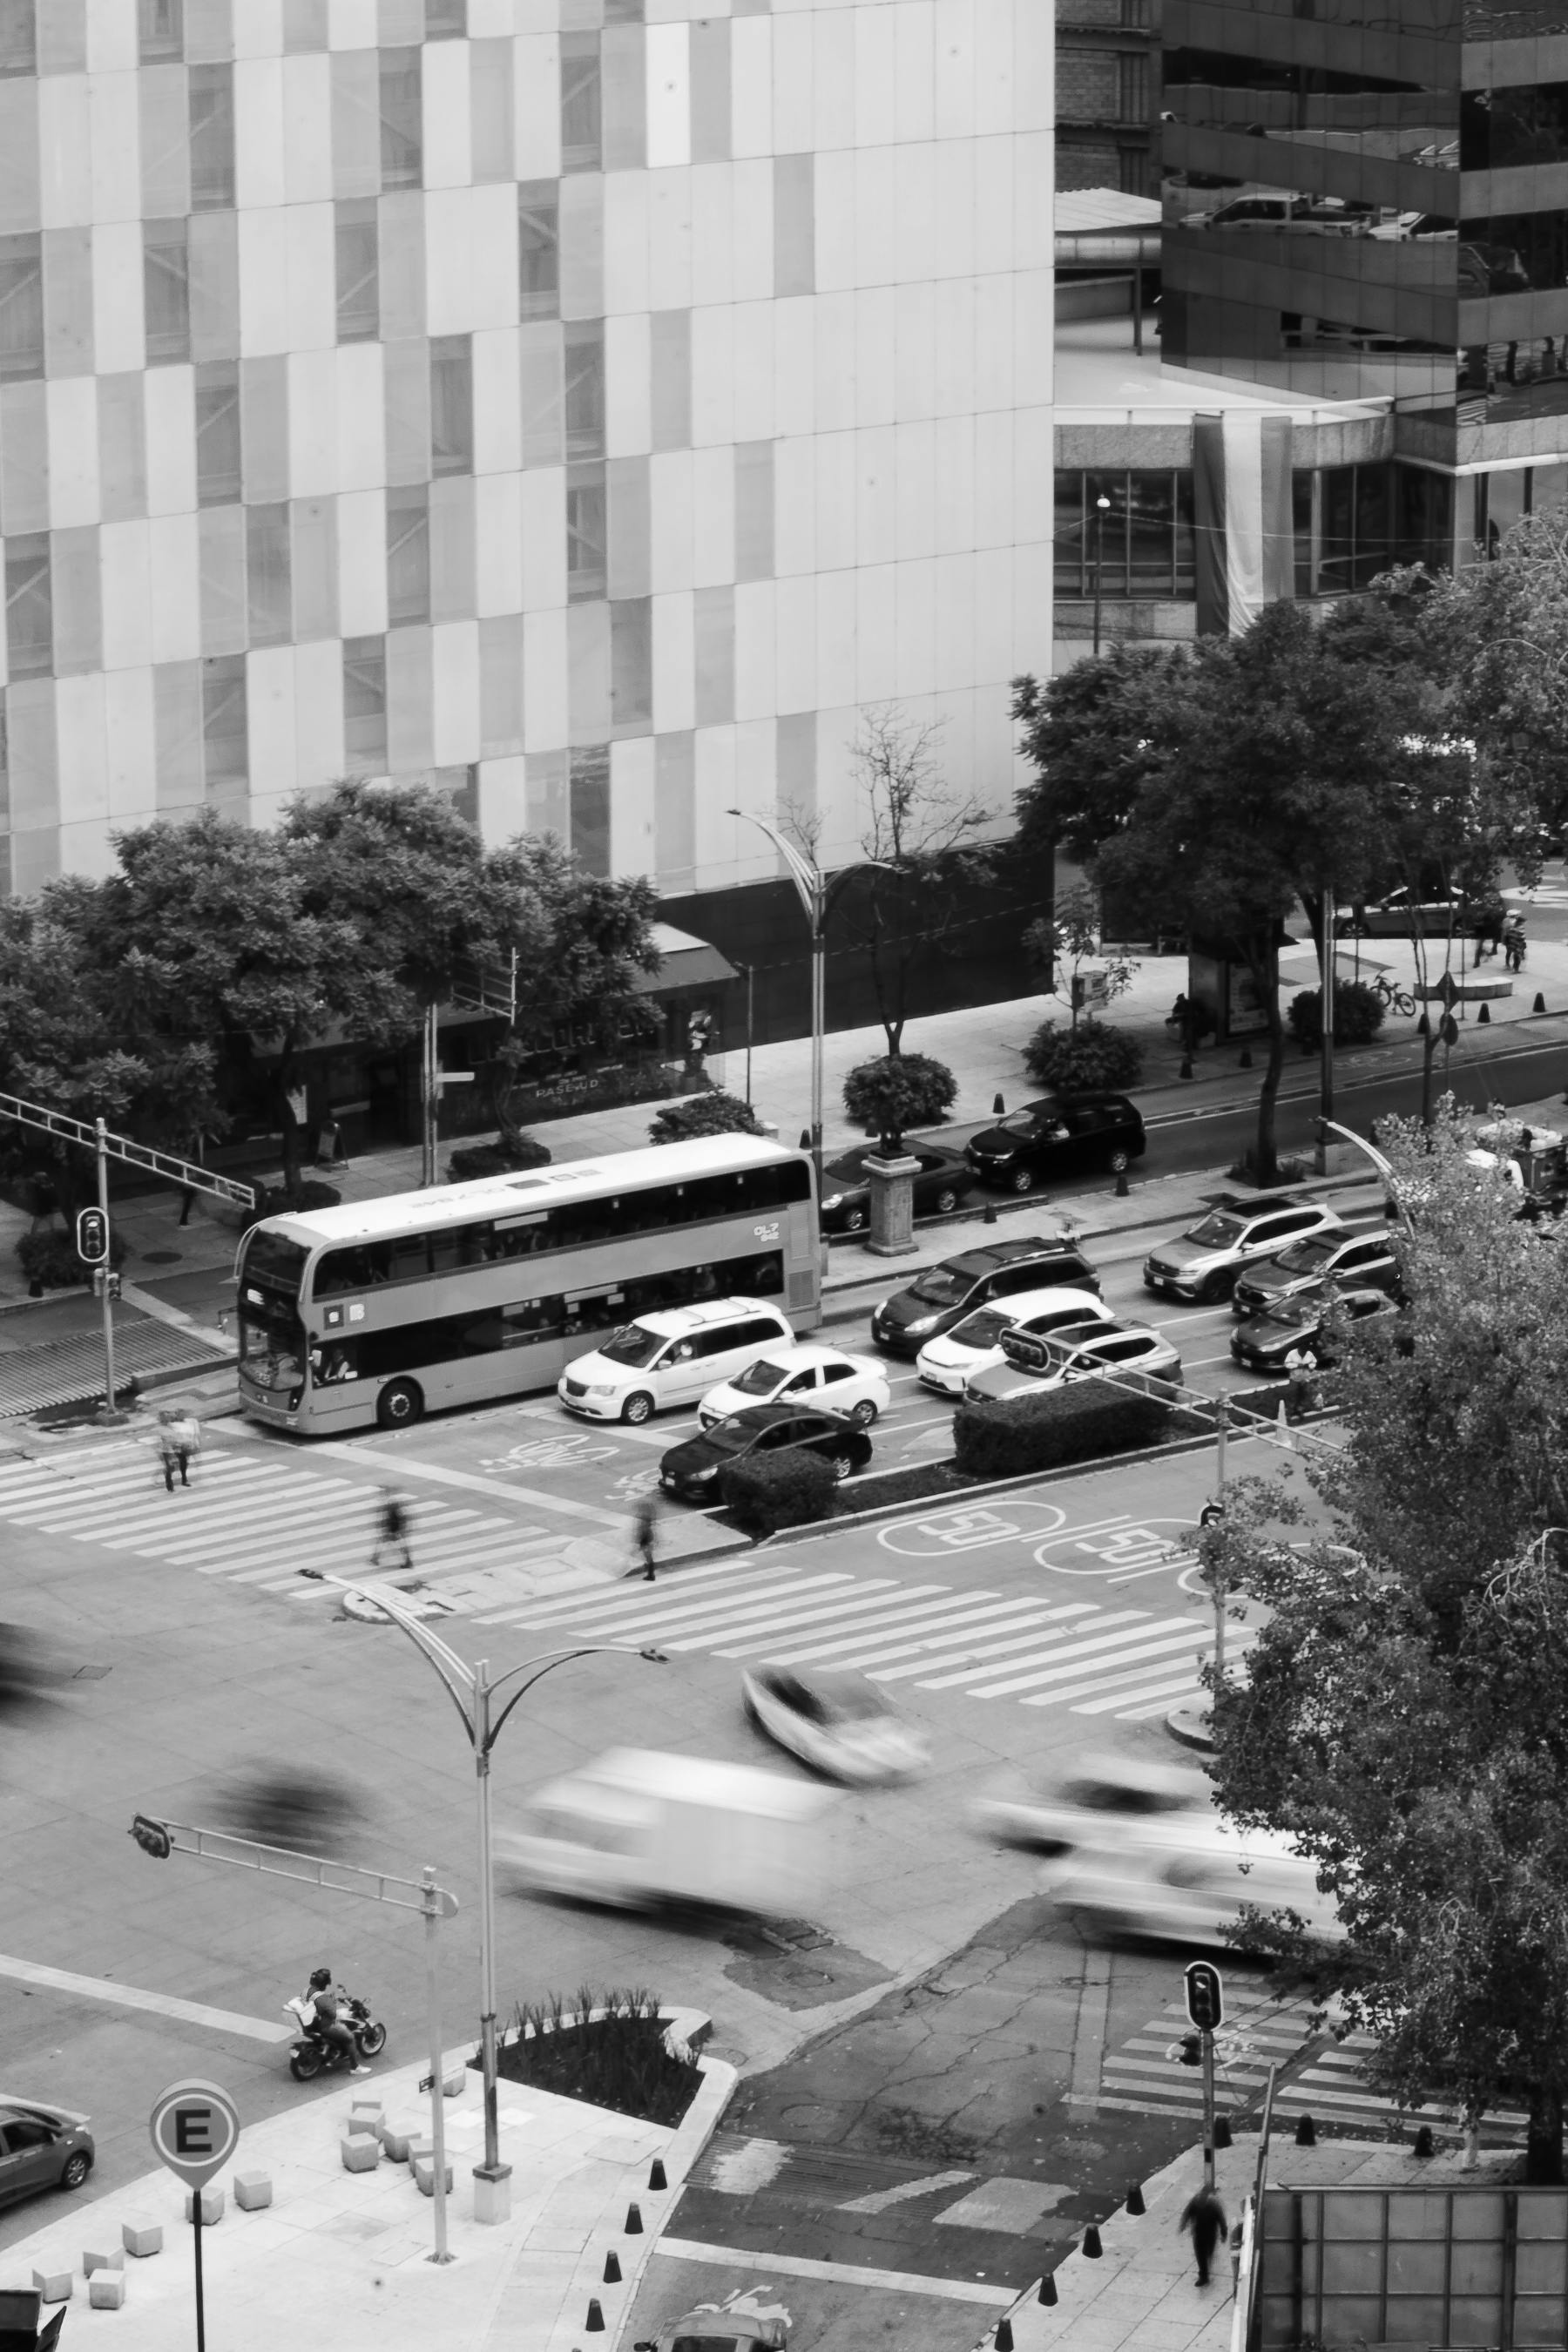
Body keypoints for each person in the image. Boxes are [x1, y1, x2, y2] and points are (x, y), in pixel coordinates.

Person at [301, 1967, 367, 2073]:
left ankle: (334, 2051)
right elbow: (333, 2015)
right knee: (350, 2038)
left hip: (310, 2024)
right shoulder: (324, 1999)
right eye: (326, 1984)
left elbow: (312, 2003)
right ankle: (355, 2068)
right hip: (326, 2026)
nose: (326, 1986)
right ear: (323, 1984)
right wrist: (331, 2004)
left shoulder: (306, 1991)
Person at [1179, 2182, 1228, 2288]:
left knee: (1208, 2253)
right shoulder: (1195, 2202)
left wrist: (1224, 2233)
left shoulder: (1214, 2205)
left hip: (1210, 2234)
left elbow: (1221, 2220)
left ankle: (1205, 2270)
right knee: (1200, 2255)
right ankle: (1203, 2276)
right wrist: (1183, 2225)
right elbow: (1187, 2213)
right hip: (1199, 2233)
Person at [372, 1490, 413, 1576]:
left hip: (395, 1530)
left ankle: (408, 1562)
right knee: (400, 1545)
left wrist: (396, 1531)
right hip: (395, 1530)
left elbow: (398, 1519)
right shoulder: (391, 1506)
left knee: (401, 1546)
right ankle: (375, 1558)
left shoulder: (393, 1507)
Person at [633, 1492, 659, 1583]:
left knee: (648, 1557)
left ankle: (651, 1574)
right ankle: (649, 1572)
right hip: (646, 1539)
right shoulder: (646, 1521)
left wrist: (639, 1540)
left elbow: (643, 1532)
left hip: (646, 1540)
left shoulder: (644, 1522)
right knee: (647, 1556)